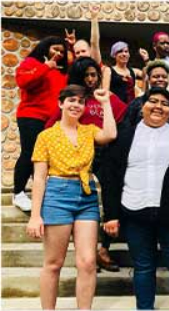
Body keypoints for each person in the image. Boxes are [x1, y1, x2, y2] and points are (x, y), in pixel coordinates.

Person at [101, 87, 169, 310]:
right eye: (153, 101)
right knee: (143, 267)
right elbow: (110, 177)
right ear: (142, 107)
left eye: (165, 103)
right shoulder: (124, 136)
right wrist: (111, 215)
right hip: (135, 212)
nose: (159, 106)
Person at [25, 84, 117, 310]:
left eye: (81, 102)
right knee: (54, 263)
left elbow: (111, 134)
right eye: (71, 100)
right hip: (57, 194)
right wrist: (35, 215)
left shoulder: (88, 131)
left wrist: (105, 103)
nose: (76, 105)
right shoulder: (46, 136)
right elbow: (39, 178)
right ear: (61, 103)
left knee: (87, 262)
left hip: (86, 196)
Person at [45, 57, 128, 272]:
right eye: (87, 75)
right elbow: (51, 128)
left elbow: (122, 120)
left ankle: (103, 248)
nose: (91, 79)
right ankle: (88, 252)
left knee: (110, 197)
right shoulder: (73, 100)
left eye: (94, 75)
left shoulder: (106, 97)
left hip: (105, 153)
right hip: (77, 157)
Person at [13, 36, 69, 212]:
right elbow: (23, 82)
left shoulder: (61, 71)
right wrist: (46, 67)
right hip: (31, 115)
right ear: (45, 48)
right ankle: (18, 193)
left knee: (45, 158)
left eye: (62, 51)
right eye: (55, 49)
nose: (58, 54)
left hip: (51, 120)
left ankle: (41, 192)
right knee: (29, 153)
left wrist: (73, 46)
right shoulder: (31, 63)